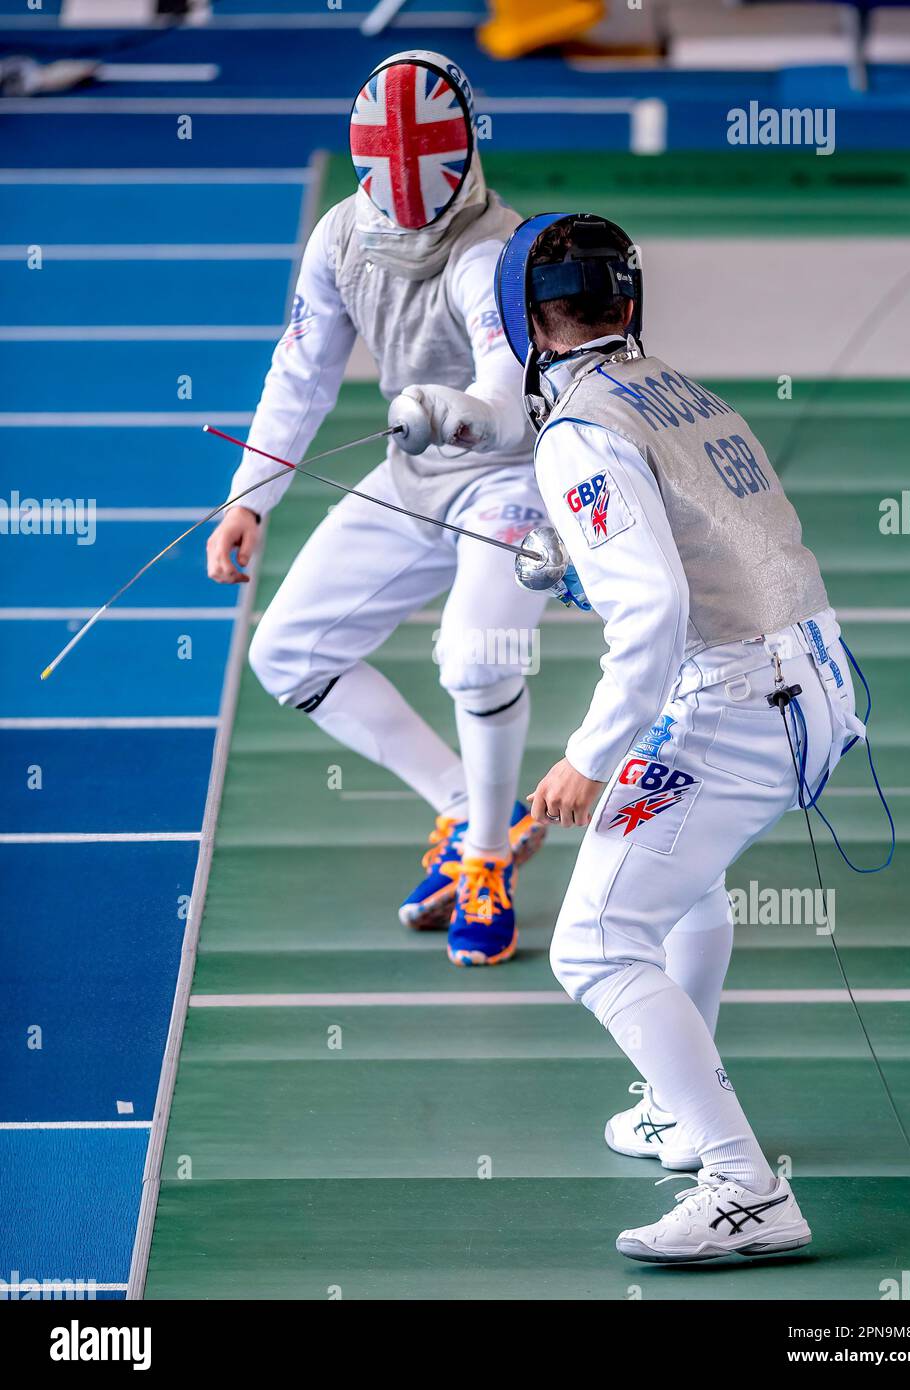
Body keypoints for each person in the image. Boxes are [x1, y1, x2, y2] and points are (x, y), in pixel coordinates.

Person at [495, 212, 865, 1261]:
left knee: (594, 941)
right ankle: (676, 1103)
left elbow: (653, 607)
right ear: (626, 301)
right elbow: (711, 547)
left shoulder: (580, 430)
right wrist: (585, 568)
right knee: (677, 875)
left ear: (528, 320)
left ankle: (746, 1186)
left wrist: (588, 753)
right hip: (819, 678)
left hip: (739, 701)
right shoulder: (676, 388)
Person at [206, 51, 548, 967]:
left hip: (511, 483)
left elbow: (506, 398)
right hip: (413, 473)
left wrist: (453, 414)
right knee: (286, 654)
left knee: (476, 661)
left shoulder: (492, 254)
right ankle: (473, 806)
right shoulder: (340, 237)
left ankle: (484, 859)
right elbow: (303, 370)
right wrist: (251, 498)